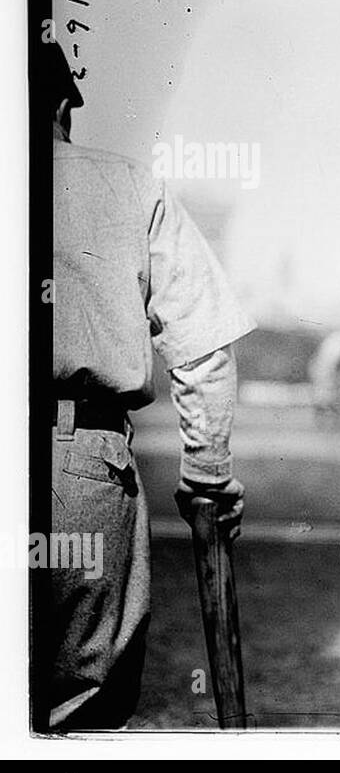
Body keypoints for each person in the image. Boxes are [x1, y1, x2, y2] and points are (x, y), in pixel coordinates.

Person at [44, 39, 254, 729]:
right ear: (64, 103)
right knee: (82, 705)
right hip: (80, 459)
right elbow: (202, 345)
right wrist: (207, 476)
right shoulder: (127, 183)